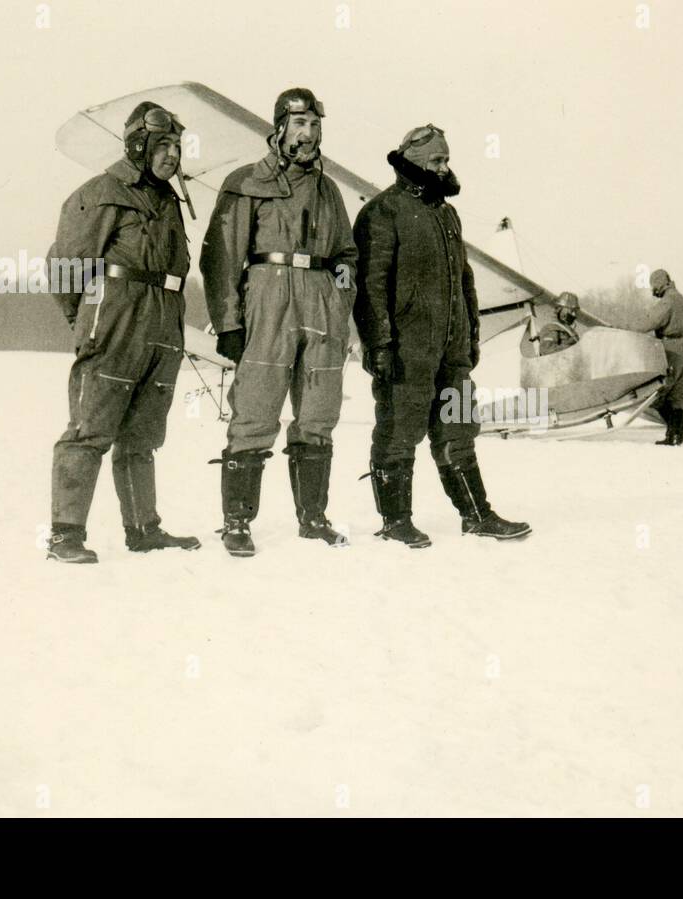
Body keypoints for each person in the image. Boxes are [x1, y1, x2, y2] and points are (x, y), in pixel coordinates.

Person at [353, 124, 531, 547]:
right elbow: (370, 286)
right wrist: (378, 344)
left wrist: (470, 337)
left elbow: (464, 282)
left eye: (446, 159)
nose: (444, 166)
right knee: (399, 430)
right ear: (413, 161)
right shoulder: (383, 212)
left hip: (451, 353)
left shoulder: (447, 215)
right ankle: (395, 522)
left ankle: (477, 515)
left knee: (459, 429)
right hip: (406, 351)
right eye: (436, 160)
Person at [201, 88, 357, 557]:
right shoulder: (246, 182)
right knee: (254, 411)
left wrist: (339, 298)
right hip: (267, 302)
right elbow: (220, 256)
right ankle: (236, 522)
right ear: (280, 128)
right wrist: (229, 323)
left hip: (320, 305)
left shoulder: (329, 190)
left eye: (314, 125)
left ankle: (313, 518)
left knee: (318, 414)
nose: (307, 134)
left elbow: (347, 252)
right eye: (299, 124)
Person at [46, 102, 200, 564]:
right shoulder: (100, 192)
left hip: (163, 321)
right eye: (163, 145)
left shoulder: (168, 200)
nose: (172, 156)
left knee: (143, 434)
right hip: (116, 320)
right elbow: (66, 267)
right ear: (138, 145)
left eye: (176, 146)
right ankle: (65, 535)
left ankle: (143, 529)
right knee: (91, 427)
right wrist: (92, 320)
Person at [617, 269, 683, 445]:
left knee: (658, 392)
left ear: (659, 283)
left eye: (653, 286)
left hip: (669, 349)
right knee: (677, 393)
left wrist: (622, 329)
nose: (653, 290)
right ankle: (676, 433)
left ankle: (677, 428)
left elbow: (647, 323)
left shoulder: (667, 302)